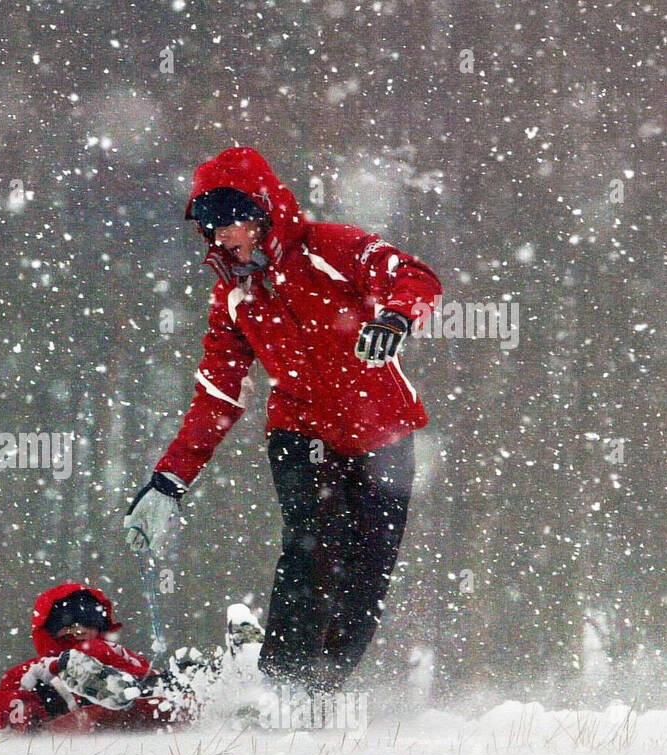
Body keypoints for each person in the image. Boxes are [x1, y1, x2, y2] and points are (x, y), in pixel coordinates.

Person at [123, 146, 442, 695]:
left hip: (383, 432)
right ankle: (281, 684)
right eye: (209, 225)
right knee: (312, 542)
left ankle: (319, 690)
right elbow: (216, 395)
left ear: (266, 209)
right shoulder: (233, 299)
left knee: (368, 574)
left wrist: (394, 316)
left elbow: (413, 276)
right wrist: (169, 479)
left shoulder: (331, 248)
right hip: (301, 433)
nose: (221, 236)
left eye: (231, 219)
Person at [0, 583, 182, 733]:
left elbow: (139, 667)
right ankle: (101, 688)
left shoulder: (107, 649)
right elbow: (2, 701)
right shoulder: (33, 668)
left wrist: (156, 679)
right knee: (48, 675)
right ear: (50, 630)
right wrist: (25, 713)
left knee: (94, 657)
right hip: (61, 709)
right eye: (68, 624)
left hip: (130, 696)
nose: (79, 630)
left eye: (88, 623)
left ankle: (164, 685)